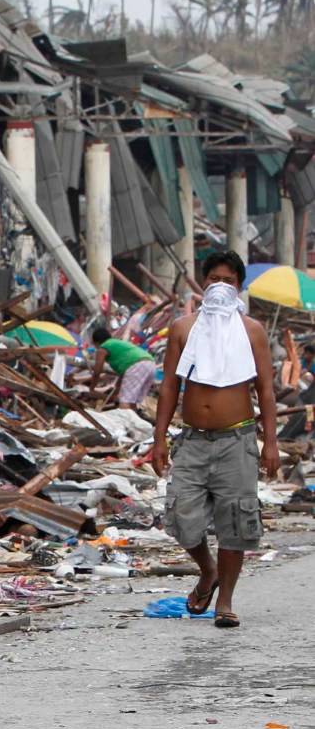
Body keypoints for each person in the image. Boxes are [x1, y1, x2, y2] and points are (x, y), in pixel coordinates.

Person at [150, 251, 280, 628]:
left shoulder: (252, 330)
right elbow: (170, 387)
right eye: (213, 279)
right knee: (180, 515)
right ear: (202, 283)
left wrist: (270, 443)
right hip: (192, 440)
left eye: (228, 280)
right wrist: (158, 439)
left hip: (237, 439)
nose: (220, 286)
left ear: (238, 287)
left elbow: (266, 391)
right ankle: (208, 570)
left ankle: (225, 601)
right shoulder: (182, 328)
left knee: (236, 519)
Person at [88, 327, 157, 411]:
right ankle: (133, 422)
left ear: (96, 342)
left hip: (137, 365)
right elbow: (123, 374)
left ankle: (123, 422)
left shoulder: (103, 348)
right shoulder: (117, 343)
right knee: (133, 402)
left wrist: (91, 389)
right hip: (150, 364)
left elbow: (97, 372)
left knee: (125, 401)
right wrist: (116, 392)